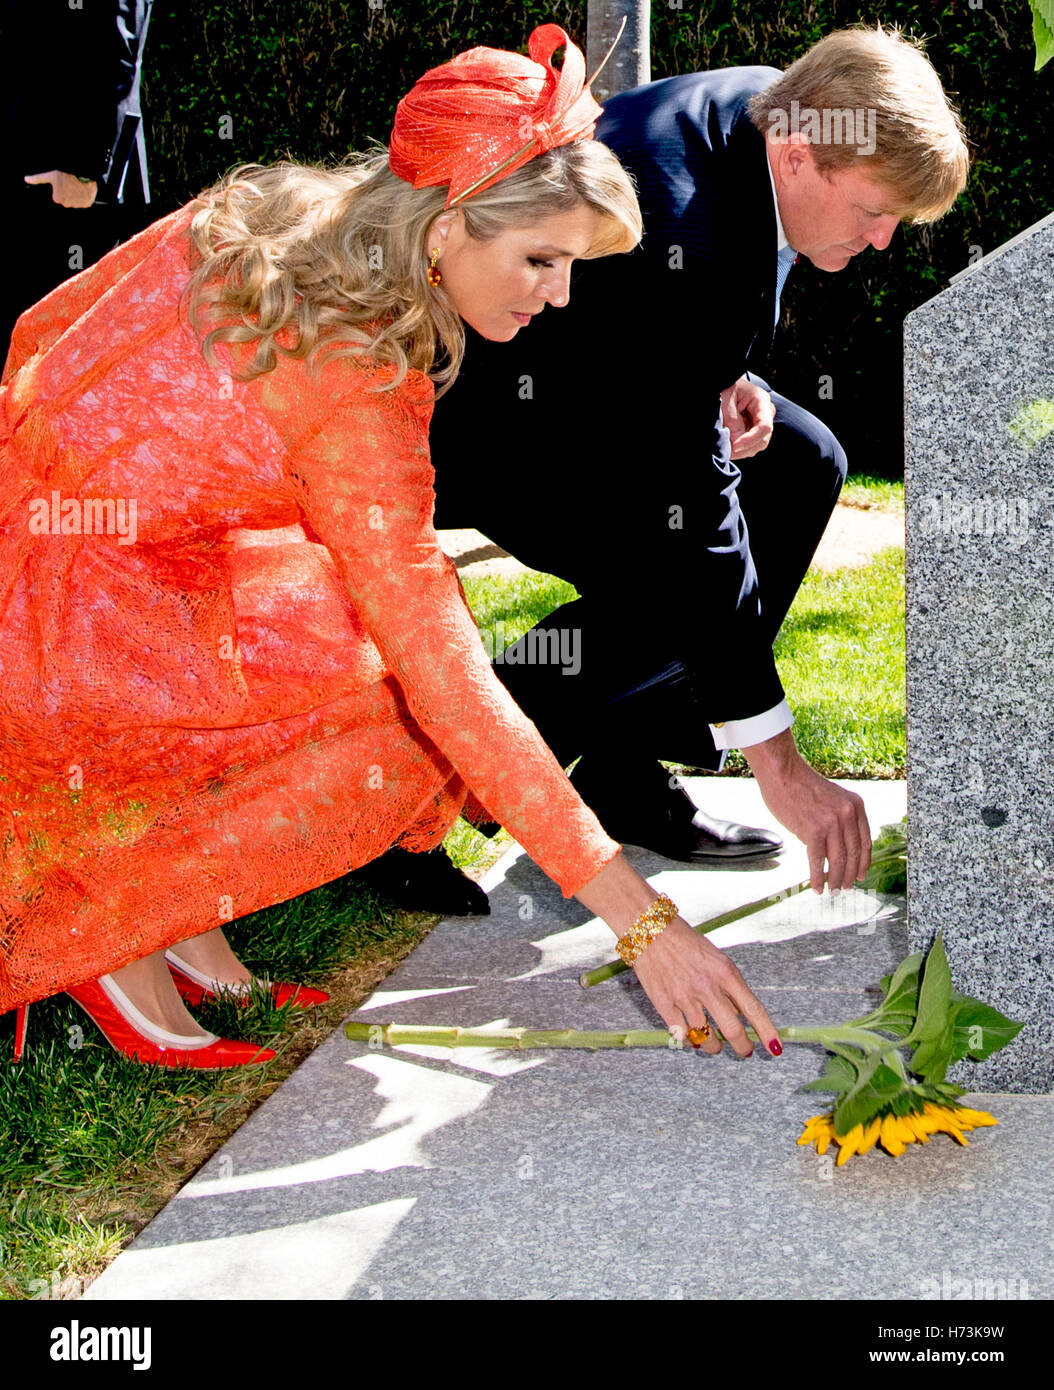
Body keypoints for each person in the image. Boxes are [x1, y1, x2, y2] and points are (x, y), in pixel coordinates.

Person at [0, 25, 782, 1071]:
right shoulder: (356, 377)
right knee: (410, 726)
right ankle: (111, 917)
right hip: (56, 613)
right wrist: (640, 922)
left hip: (104, 549)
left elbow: (43, 338)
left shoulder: (289, 211)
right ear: (450, 222)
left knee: (388, 654)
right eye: (540, 259)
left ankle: (175, 903)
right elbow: (447, 680)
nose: (556, 295)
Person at [426, 25, 969, 897]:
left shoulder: (773, 103)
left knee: (802, 460)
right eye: (875, 212)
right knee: (679, 575)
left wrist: (723, 372)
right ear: (799, 156)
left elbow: (676, 319)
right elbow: (699, 518)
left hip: (598, 375)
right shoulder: (692, 233)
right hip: (498, 426)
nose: (881, 243)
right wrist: (781, 764)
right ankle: (454, 750)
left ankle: (615, 758)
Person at [0, 1, 154, 361]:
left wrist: (90, 177)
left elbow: (118, 56)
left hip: (64, 196)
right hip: (41, 185)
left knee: (55, 356)